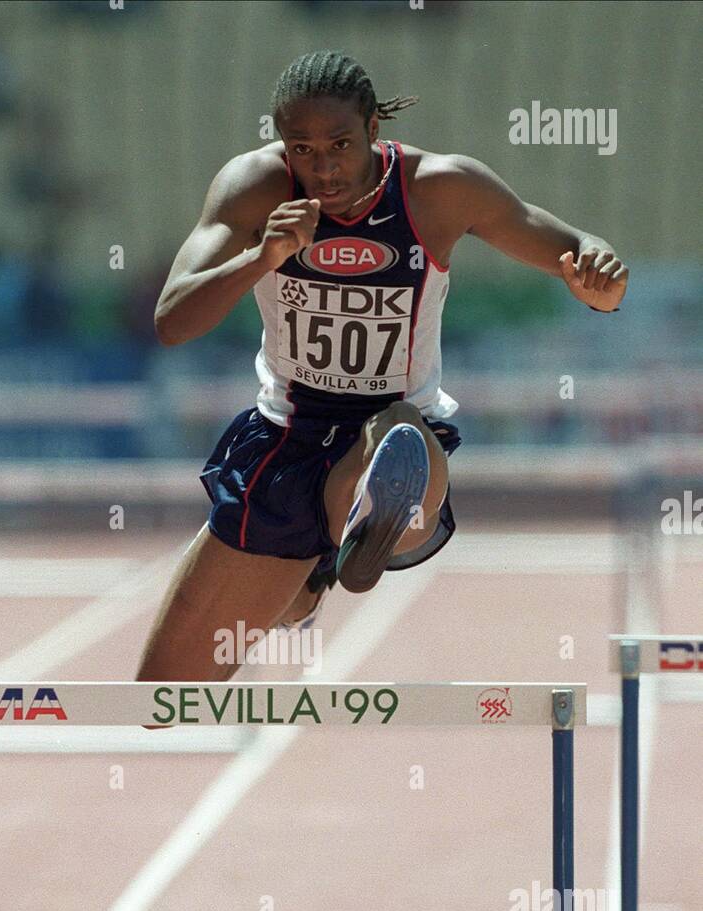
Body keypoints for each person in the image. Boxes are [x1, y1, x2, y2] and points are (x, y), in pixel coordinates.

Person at [137, 50, 628, 683]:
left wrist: (599, 274)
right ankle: (309, 579)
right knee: (164, 692)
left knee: (391, 433)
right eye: (303, 149)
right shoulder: (254, 188)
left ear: (374, 129)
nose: (323, 168)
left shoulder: (440, 190)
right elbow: (172, 322)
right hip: (285, 437)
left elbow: (574, 249)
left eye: (339, 144)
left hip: (402, 435)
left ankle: (361, 515)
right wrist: (264, 255)